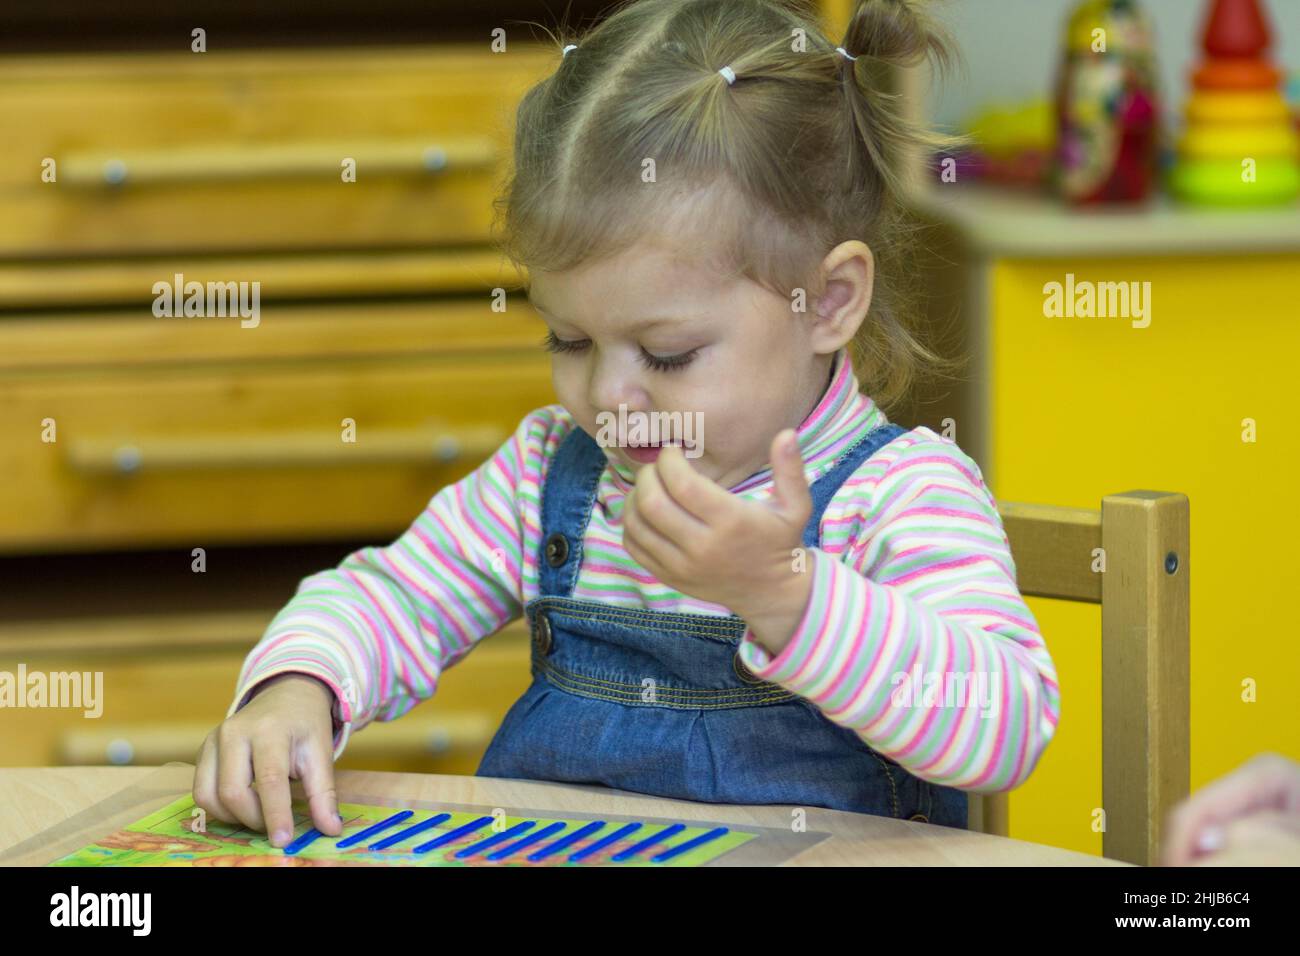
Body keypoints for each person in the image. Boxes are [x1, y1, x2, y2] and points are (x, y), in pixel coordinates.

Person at [194, 0, 1061, 849]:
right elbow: (391, 597)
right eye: (569, 339)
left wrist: (786, 598)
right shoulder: (549, 475)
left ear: (827, 302)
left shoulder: (900, 493)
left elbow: (1006, 726)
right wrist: (298, 683)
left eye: (669, 353)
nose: (610, 395)